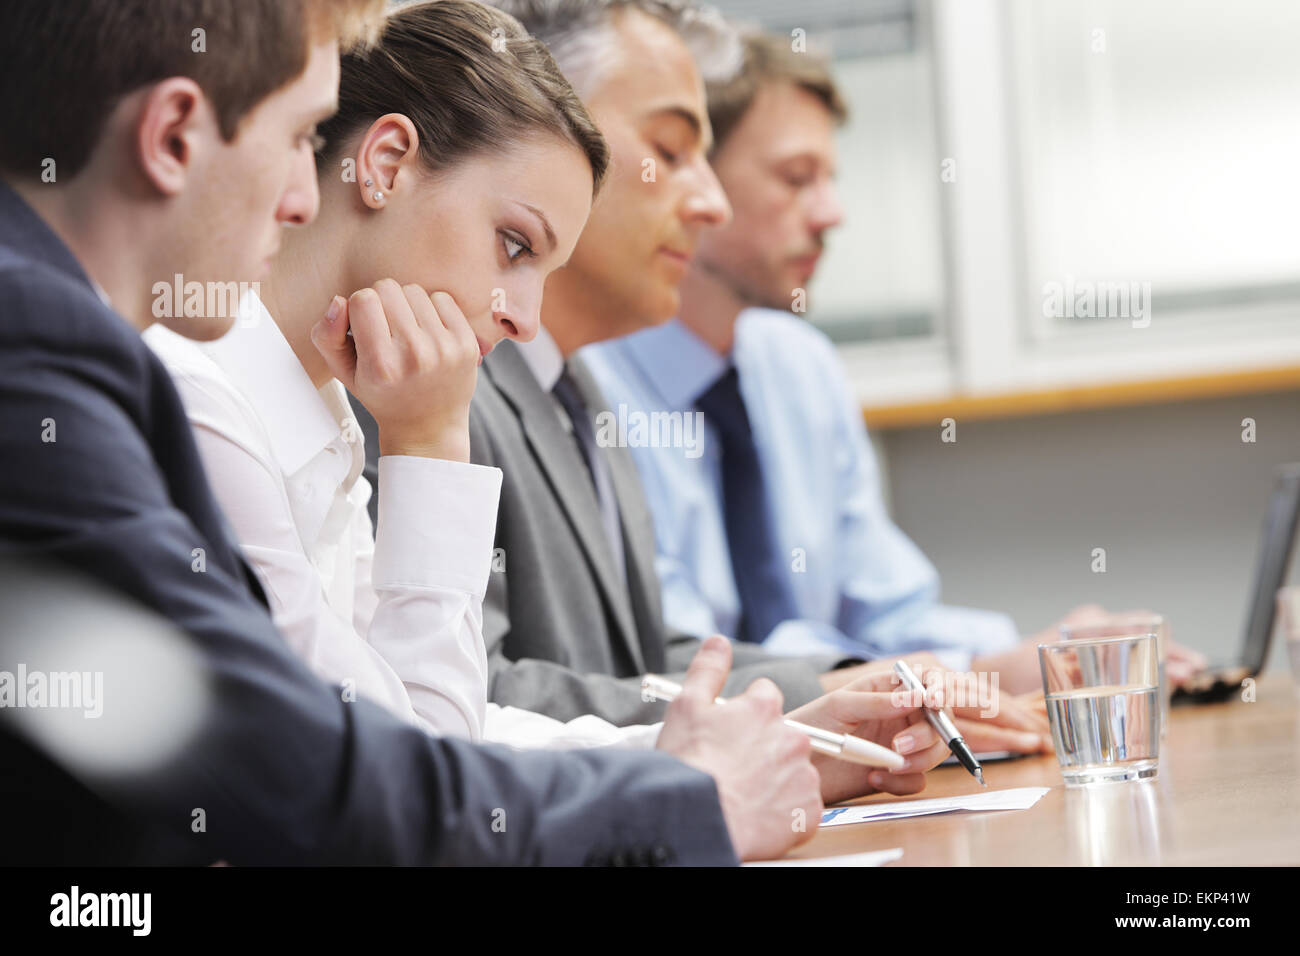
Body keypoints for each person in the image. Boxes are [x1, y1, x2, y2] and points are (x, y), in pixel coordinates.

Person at [0, 0, 825, 865]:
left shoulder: (308, 409)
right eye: (298, 139)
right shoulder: (111, 362)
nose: (297, 195)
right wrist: (686, 803)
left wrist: (726, 769)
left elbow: (421, 750)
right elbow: (341, 784)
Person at [147, 0, 954, 807]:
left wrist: (781, 751)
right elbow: (412, 775)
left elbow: (459, 729)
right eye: (514, 245)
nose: (525, 316)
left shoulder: (323, 412)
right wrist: (428, 442)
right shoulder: (205, 405)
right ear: (386, 162)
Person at [346, 0, 1054, 759]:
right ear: (554, 122)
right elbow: (478, 697)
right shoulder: (424, 378)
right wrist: (802, 717)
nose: (709, 203)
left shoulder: (574, 383)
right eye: (671, 150)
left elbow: (642, 657)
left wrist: (848, 687)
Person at [583, 31, 1210, 695]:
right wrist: (953, 676)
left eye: (830, 179)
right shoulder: (587, 383)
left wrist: (1030, 656)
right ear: (693, 174)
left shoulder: (799, 367)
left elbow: (885, 610)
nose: (832, 213)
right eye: (797, 179)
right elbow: (675, 656)